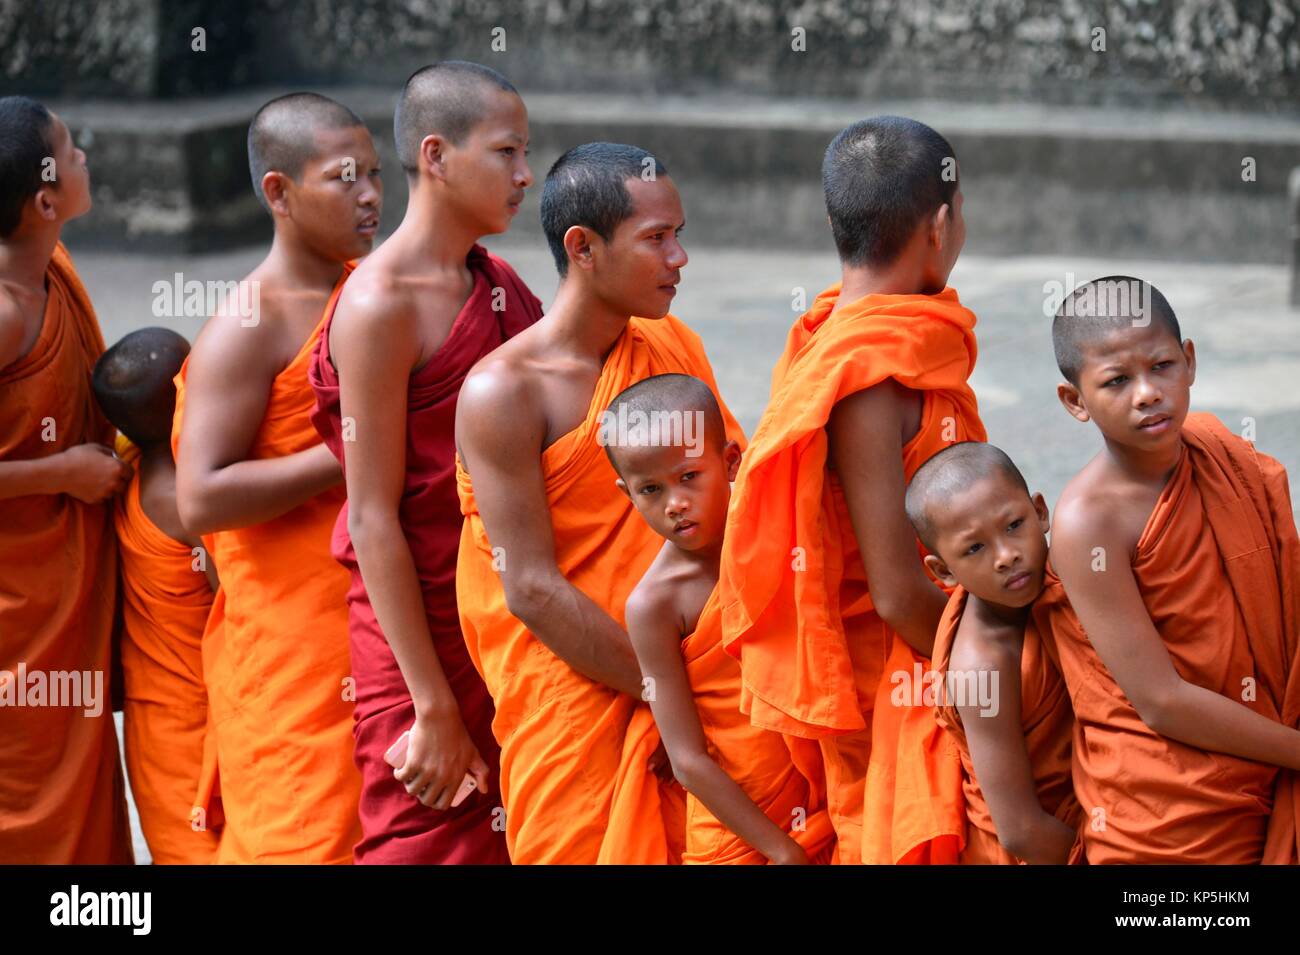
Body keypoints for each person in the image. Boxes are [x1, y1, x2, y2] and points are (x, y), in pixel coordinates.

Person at [455, 142, 745, 863]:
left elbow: (729, 501)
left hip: (695, 669)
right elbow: (528, 586)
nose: (679, 258)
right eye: (656, 239)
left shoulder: (672, 345)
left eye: (679, 235)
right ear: (582, 247)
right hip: (579, 688)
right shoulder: (504, 393)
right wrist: (663, 692)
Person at [718, 115, 984, 863]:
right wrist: (1012, 658)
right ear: (939, 224)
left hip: (928, 637)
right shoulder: (866, 376)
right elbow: (899, 595)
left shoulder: (832, 332)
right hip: (900, 671)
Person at [308, 61, 541, 863]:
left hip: (506, 616)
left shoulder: (496, 281)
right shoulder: (382, 304)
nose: (524, 175)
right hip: (422, 635)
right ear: (437, 156)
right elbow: (370, 514)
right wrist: (430, 702)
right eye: (507, 153)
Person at [172, 92, 382, 863]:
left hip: (372, 612)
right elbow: (199, 496)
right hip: (293, 637)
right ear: (279, 193)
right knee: (304, 835)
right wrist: (354, 452)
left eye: (373, 176)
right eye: (343, 178)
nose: (368, 196)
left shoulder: (371, 291)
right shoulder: (248, 323)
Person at [1036, 275, 1300, 863]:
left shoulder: (1224, 455)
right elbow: (1160, 700)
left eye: (1160, 366)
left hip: (1268, 738)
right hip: (1173, 805)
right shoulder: (1089, 523)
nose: (1147, 393)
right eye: (1116, 381)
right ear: (1074, 400)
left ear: (1190, 361)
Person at [612, 373, 835, 864]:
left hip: (830, 787)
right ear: (626, 494)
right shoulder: (654, 606)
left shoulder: (777, 532)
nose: (674, 503)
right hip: (740, 828)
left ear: (731, 461)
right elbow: (688, 761)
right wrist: (781, 851)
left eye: (689, 476)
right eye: (650, 489)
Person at [0, 96, 134, 863]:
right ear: (46, 199)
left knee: (79, 781)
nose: (86, 158)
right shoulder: (6, 311)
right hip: (16, 609)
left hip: (61, 589)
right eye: (73, 151)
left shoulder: (52, 267)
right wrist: (63, 471)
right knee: (27, 795)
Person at [905, 441, 1081, 864]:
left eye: (1014, 525)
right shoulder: (981, 667)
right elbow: (1020, 829)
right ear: (943, 571)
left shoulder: (1071, 575)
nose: (1007, 556)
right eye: (975, 549)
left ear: (1041, 512)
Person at [93, 327, 220, 864]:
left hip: (154, 716)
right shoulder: (189, 501)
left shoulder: (135, 461)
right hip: (195, 709)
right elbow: (238, 593)